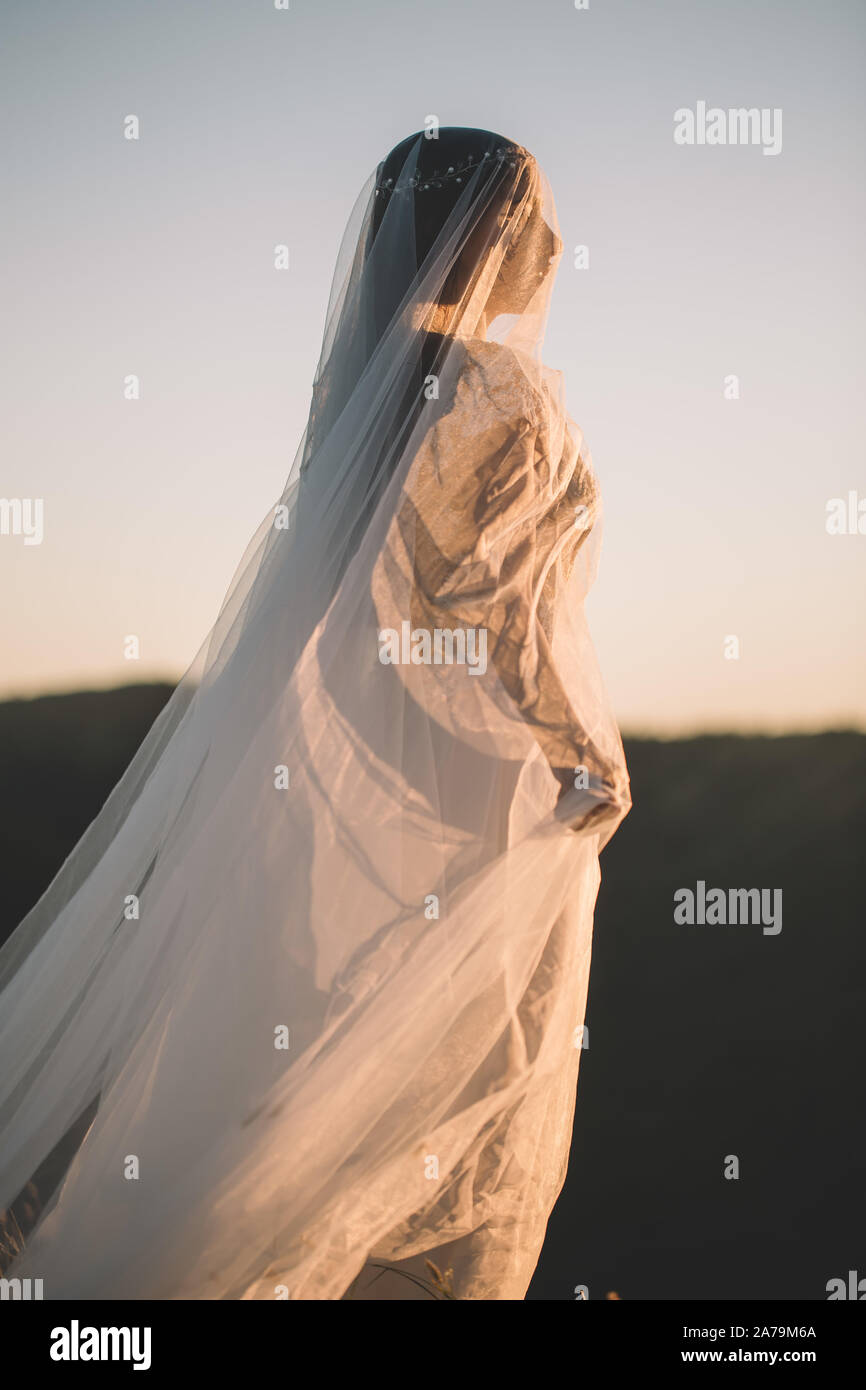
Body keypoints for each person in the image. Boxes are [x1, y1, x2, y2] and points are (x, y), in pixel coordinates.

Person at [0, 127, 630, 1300]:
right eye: (527, 214)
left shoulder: (360, 391)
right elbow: (504, 615)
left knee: (309, 1085)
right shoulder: (500, 394)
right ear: (494, 233)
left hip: (348, 783)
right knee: (452, 1086)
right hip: (487, 794)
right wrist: (583, 753)